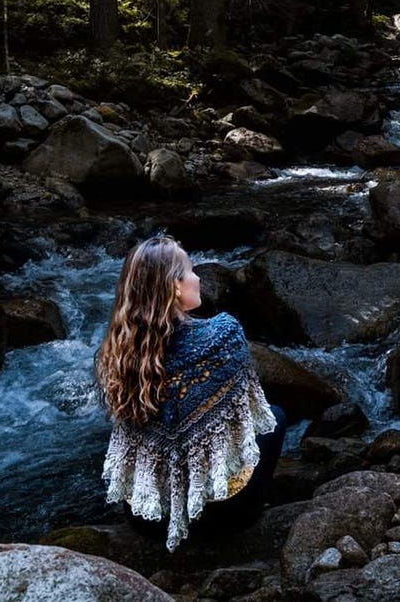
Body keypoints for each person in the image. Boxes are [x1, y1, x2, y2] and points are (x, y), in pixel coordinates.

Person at [95, 235, 284, 552]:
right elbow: (252, 416)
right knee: (276, 416)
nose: (197, 277)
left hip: (146, 518)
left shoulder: (117, 351)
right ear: (174, 286)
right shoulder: (223, 334)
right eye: (190, 270)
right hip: (224, 514)